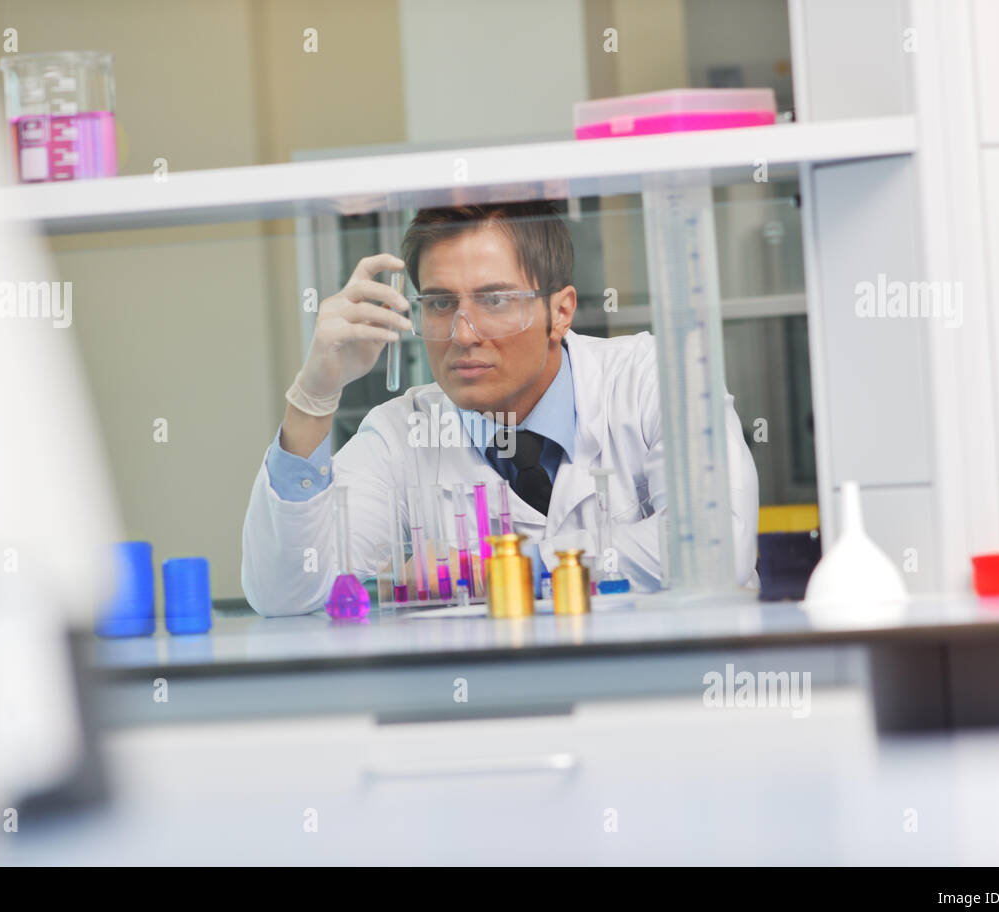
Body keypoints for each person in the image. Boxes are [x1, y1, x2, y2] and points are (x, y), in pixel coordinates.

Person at [242, 201, 758, 616]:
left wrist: (499, 570)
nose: (462, 335)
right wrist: (314, 394)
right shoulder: (403, 433)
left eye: (494, 301)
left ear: (560, 311)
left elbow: (716, 547)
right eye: (441, 303)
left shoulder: (657, 376)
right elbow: (287, 594)